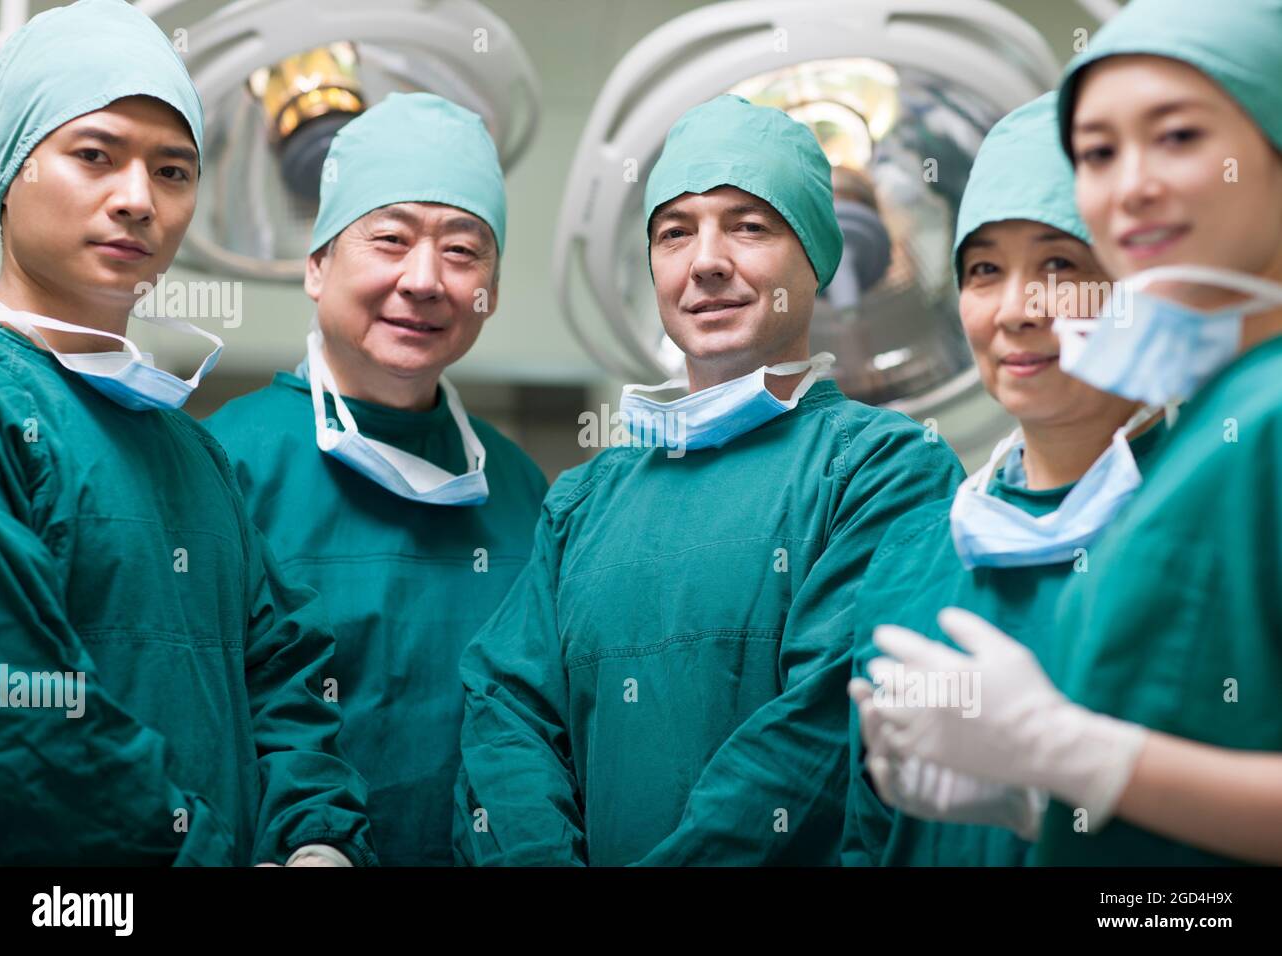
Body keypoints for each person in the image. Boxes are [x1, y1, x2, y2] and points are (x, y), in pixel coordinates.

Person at [454, 94, 965, 866]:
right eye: (675, 233)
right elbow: (507, 717)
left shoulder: (885, 469)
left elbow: (820, 738)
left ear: (817, 256)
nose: (707, 261)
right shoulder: (584, 502)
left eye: (749, 225)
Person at [853, 0, 1282, 866]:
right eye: (1099, 153)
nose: (1019, 311)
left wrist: (1076, 758)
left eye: (1061, 263)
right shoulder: (1219, 436)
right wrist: (1041, 801)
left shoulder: (1248, 433)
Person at [0, 0, 372, 866]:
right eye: (94, 156)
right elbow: (20, 717)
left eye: (173, 171)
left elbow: (285, 674)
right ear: (12, 167)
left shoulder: (192, 456)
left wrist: (316, 838)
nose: (137, 200)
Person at [206, 92, 548, 866]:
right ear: (318, 265)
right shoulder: (221, 465)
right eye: (390, 239)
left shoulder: (523, 491)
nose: (425, 280)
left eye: (463, 251)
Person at [841, 93, 1167, 867]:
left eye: (1060, 264)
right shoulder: (913, 558)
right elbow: (866, 841)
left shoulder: (1216, 522)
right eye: (984, 270)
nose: (1016, 310)